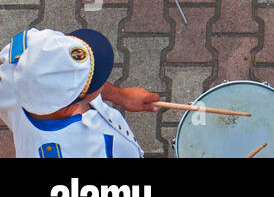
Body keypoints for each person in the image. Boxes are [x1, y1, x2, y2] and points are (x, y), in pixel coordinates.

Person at [0, 28, 159, 158]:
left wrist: (119, 95)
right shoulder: (90, 151)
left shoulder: (21, 54)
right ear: (69, 108)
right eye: (98, 81)